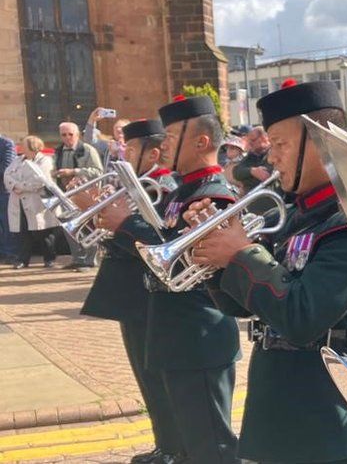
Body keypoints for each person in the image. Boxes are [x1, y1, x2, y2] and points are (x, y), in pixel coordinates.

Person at [183, 80, 347, 463]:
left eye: (281, 144)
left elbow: (301, 316)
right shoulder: (295, 215)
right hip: (278, 402)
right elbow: (247, 307)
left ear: (322, 142)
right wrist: (215, 260)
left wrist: (241, 254)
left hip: (329, 416)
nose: (271, 158)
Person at [98, 95, 241, 463]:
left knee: (211, 448)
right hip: (176, 333)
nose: (164, 145)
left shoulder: (216, 196)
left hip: (199, 335)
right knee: (186, 444)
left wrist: (124, 224)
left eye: (173, 136)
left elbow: (177, 259)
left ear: (202, 142)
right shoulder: (181, 192)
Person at [77, 120, 182, 464]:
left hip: (150, 294)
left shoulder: (163, 187)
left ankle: (174, 449)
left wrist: (116, 220)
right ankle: (164, 445)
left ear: (152, 153)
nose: (124, 153)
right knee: (146, 379)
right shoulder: (132, 185)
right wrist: (94, 215)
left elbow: (155, 242)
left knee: (161, 381)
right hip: (130, 295)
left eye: (132, 149)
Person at [55, 121, 104, 270]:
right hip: (67, 194)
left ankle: (90, 260)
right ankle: (78, 258)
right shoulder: (58, 151)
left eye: (71, 134)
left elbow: (98, 172)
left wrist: (74, 172)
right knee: (69, 227)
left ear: (77, 135)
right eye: (64, 135)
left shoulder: (88, 150)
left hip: (87, 194)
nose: (67, 137)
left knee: (88, 227)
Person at [5, 136, 57, 269]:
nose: (21, 147)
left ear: (31, 146)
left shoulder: (45, 160)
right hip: (19, 202)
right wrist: (14, 186)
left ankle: (49, 258)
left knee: (43, 232)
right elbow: (7, 175)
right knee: (23, 232)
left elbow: (40, 180)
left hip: (36, 202)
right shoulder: (18, 160)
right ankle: (23, 259)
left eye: (23, 144)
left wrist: (20, 187)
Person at [232, 126, 275, 213]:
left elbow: (266, 177)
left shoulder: (273, 153)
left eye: (252, 141)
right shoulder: (251, 156)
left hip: (271, 206)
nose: (250, 144)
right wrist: (252, 171)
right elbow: (236, 172)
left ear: (263, 138)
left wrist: (246, 180)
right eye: (248, 141)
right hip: (253, 207)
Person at [0, 132, 15, 263]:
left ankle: (9, 252)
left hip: (3, 191)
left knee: (6, 223)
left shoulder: (6, 143)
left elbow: (7, 167)